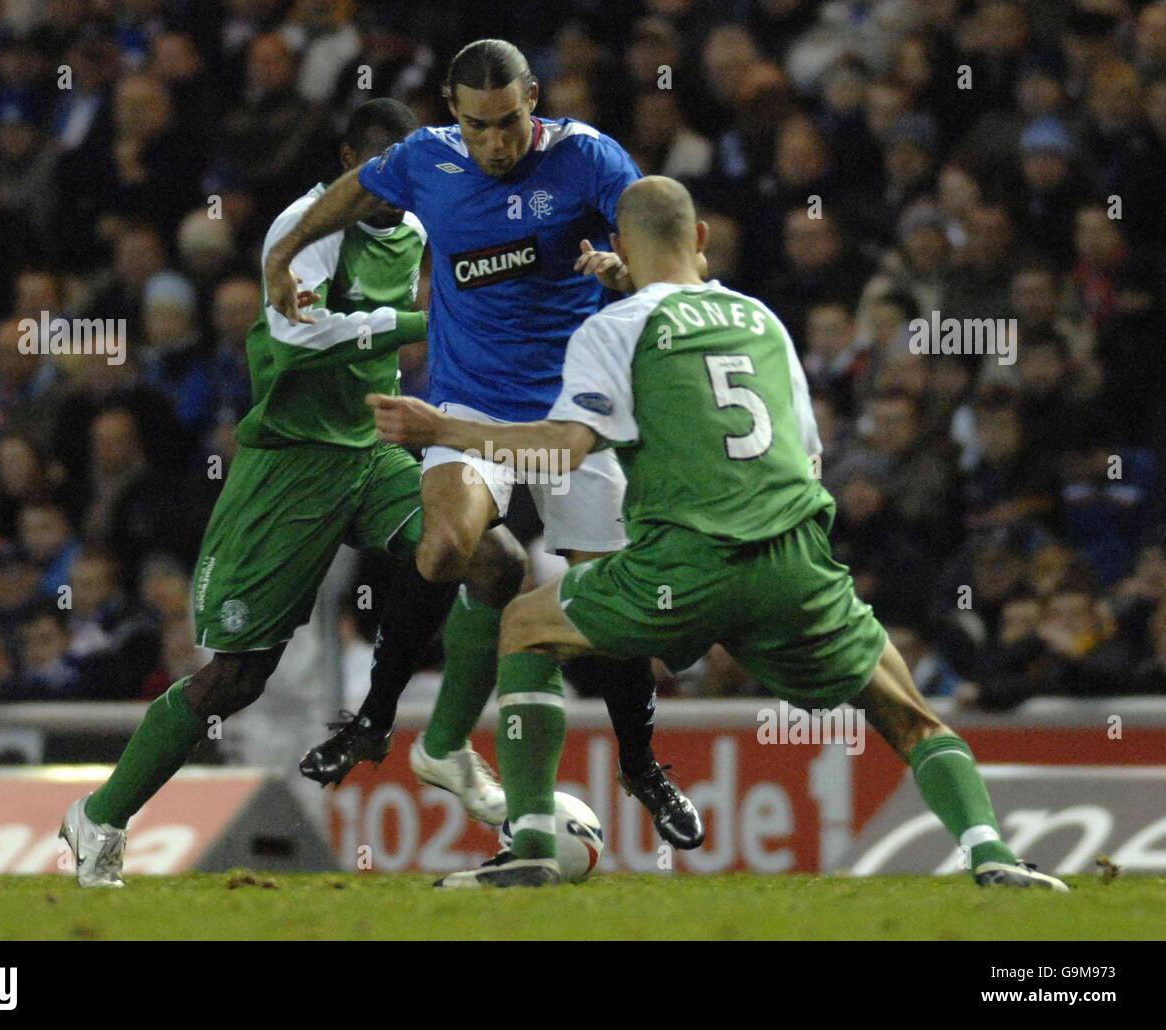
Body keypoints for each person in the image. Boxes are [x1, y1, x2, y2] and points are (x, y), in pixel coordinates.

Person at [370, 175, 1068, 892]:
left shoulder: (610, 329)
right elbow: (809, 455)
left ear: (618, 247)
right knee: (910, 715)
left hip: (683, 567)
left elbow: (564, 447)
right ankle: (993, 857)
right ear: (700, 238)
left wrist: (443, 428)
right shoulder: (763, 321)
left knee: (523, 624)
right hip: (795, 563)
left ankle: (532, 850)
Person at [59, 98, 522, 887]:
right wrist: (418, 324)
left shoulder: (413, 230)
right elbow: (300, 342)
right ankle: (99, 815)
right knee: (239, 677)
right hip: (289, 466)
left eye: (400, 176)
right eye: (372, 176)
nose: (388, 192)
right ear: (346, 160)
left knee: (493, 560)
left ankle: (443, 747)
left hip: (370, 451)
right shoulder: (302, 226)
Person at [270, 39, 703, 850]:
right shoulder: (425, 162)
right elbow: (351, 192)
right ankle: (373, 722)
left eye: (509, 123)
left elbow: (663, 245)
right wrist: (285, 254)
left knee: (605, 604)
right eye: (478, 127)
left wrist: (623, 270)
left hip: (579, 412)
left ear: (532, 99)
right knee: (443, 545)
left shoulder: (587, 159)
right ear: (450, 112)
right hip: (467, 405)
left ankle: (642, 764)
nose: (496, 144)